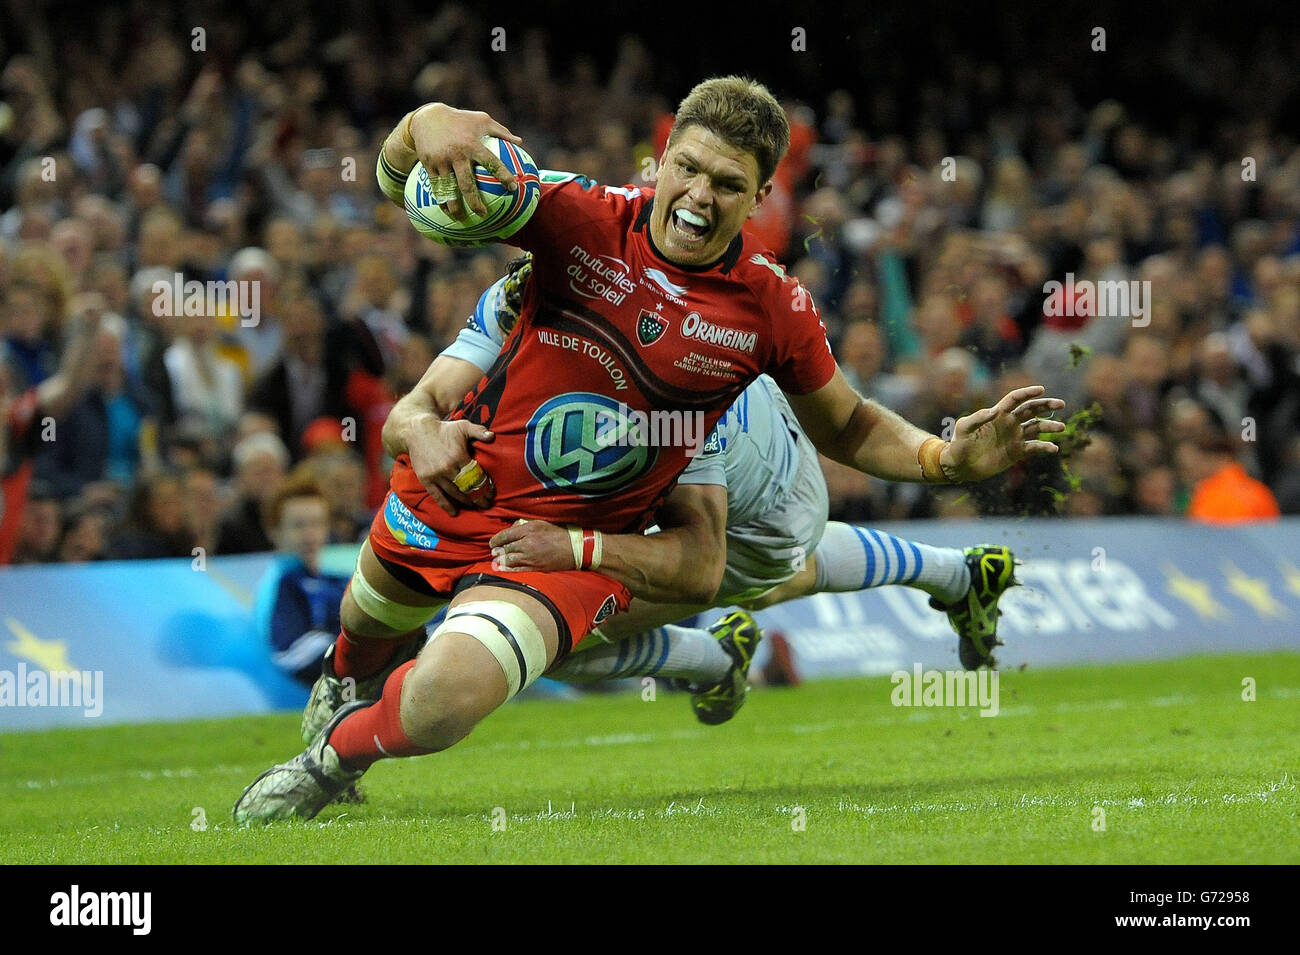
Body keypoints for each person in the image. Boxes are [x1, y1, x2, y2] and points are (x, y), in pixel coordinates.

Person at [234, 78, 1065, 823]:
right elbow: (406, 184)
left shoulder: (766, 312)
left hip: (678, 469)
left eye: (730, 184)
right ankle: (352, 687)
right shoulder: (573, 223)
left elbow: (842, 431)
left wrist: (945, 459)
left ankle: (336, 754)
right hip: (476, 493)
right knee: (377, 613)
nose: (701, 196)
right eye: (689, 169)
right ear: (658, 161)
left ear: (761, 197)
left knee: (762, 562)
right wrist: (426, 118)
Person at [438, 255, 1023, 724]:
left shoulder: (669, 391)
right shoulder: (546, 300)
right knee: (774, 574)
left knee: (565, 630)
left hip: (767, 500)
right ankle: (961, 575)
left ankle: (716, 661)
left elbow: (701, 560)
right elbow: (414, 411)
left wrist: (579, 549)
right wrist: (422, 427)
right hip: (747, 444)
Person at [253, 472, 350, 685]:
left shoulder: (336, 580)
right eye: (298, 526)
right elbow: (289, 655)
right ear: (274, 531)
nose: (309, 535)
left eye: (317, 524)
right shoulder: (281, 583)